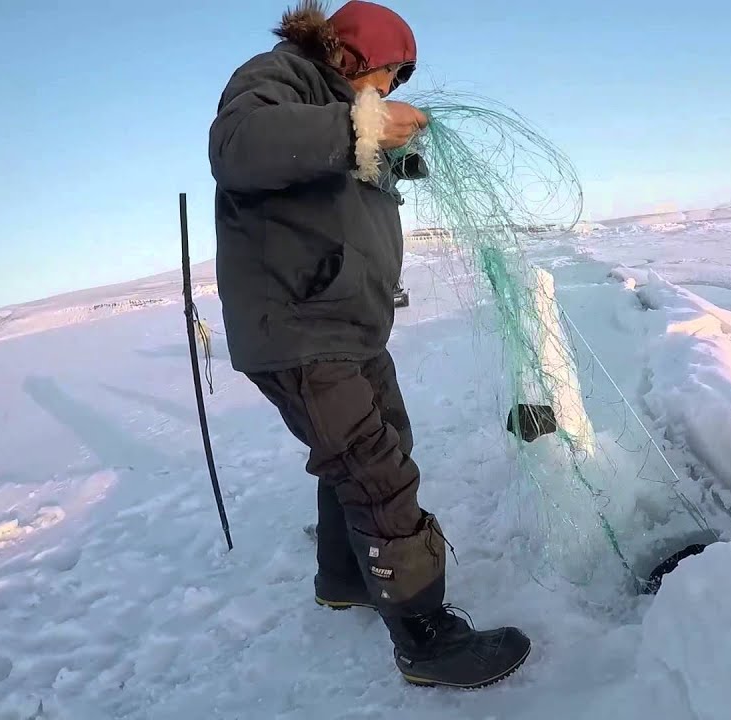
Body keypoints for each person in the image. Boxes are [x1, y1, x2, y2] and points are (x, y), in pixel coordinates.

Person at [207, 0, 531, 689]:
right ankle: (425, 637)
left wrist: (388, 157)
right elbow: (238, 147)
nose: (385, 96)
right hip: (299, 327)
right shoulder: (278, 75)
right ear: (350, 55)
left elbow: (340, 193)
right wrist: (362, 123)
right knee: (374, 473)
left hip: (345, 324)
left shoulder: (338, 111)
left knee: (373, 446)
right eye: (384, 81)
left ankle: (345, 576)